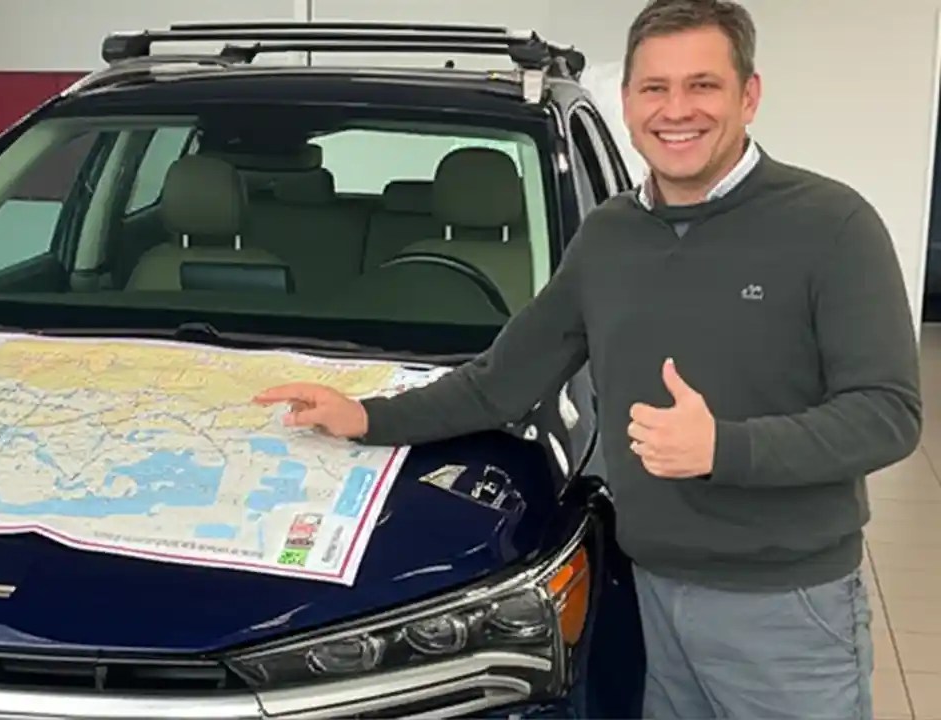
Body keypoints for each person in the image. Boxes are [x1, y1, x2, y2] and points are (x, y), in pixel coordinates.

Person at [253, 0, 923, 717]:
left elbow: (888, 414)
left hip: (785, 610)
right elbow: (500, 382)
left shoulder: (831, 225)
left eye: (703, 85)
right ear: (629, 101)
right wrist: (366, 415)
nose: (677, 111)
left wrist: (725, 447)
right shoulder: (609, 237)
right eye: (655, 88)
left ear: (748, 95)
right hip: (653, 595)